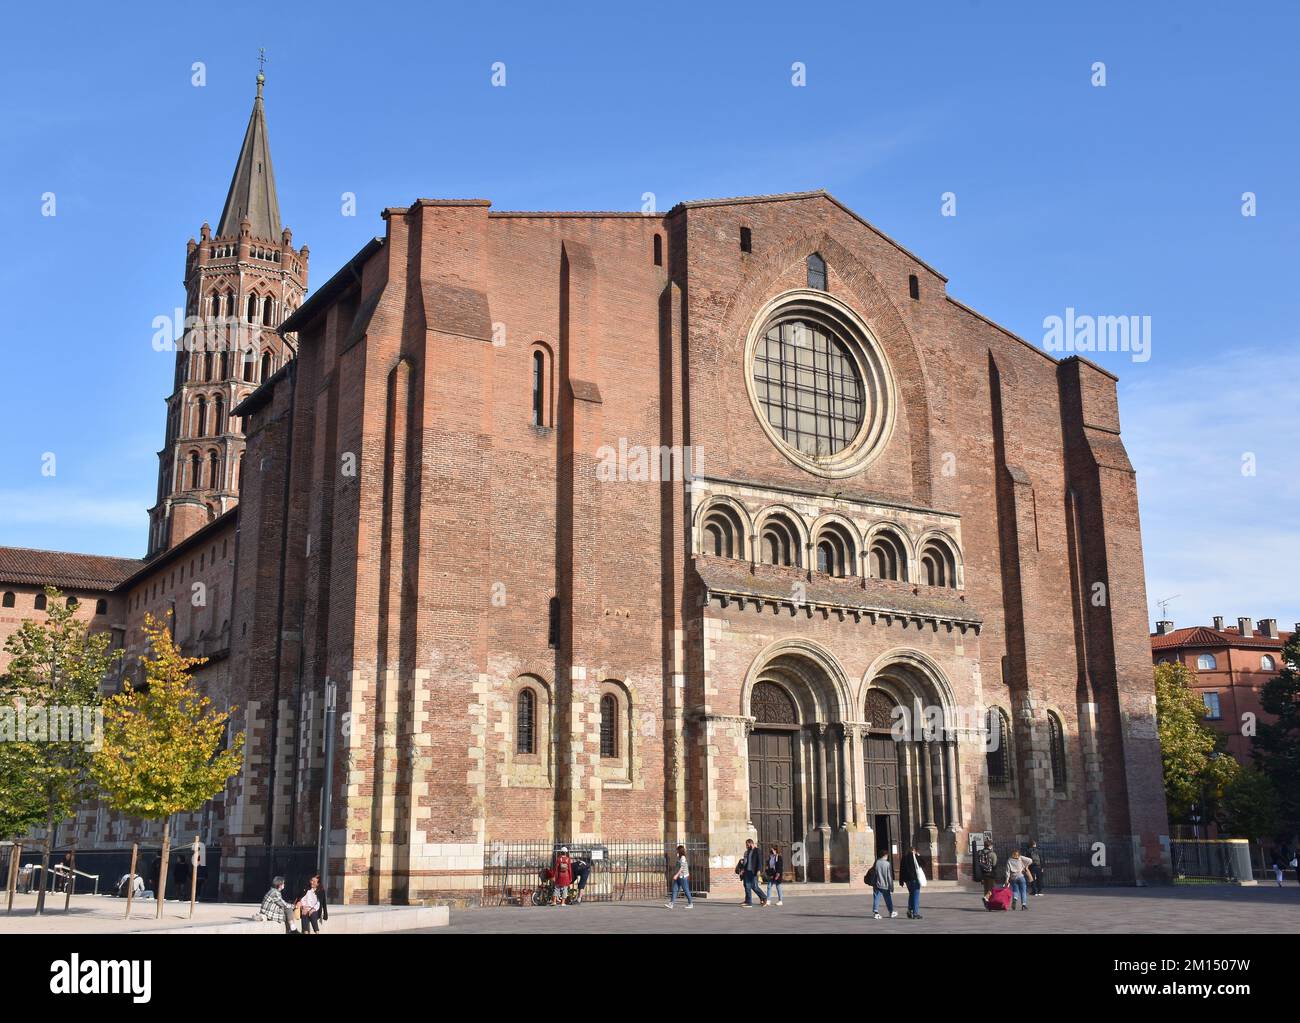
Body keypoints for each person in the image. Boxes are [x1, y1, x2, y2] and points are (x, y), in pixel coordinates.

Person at [739, 839, 769, 907]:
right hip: (747, 871)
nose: (746, 846)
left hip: (754, 872)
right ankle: (748, 902)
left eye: (747, 844)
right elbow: (747, 861)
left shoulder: (757, 850)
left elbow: (759, 861)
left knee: (754, 886)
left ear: (751, 843)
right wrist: (743, 869)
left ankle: (764, 898)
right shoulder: (749, 851)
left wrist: (759, 870)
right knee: (747, 886)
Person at [900, 844, 925, 919]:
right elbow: (924, 864)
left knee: (911, 894)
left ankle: (909, 910)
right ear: (914, 851)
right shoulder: (916, 857)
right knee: (916, 896)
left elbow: (901, 869)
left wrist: (901, 881)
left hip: (907, 880)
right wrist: (919, 855)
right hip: (914, 879)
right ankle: (915, 913)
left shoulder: (904, 858)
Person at [871, 849, 897, 919]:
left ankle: (876, 912)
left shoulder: (876, 862)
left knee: (876, 898)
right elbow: (889, 876)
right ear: (885, 855)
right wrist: (891, 886)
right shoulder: (887, 864)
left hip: (877, 884)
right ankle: (891, 912)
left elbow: (874, 873)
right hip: (885, 885)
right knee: (888, 899)